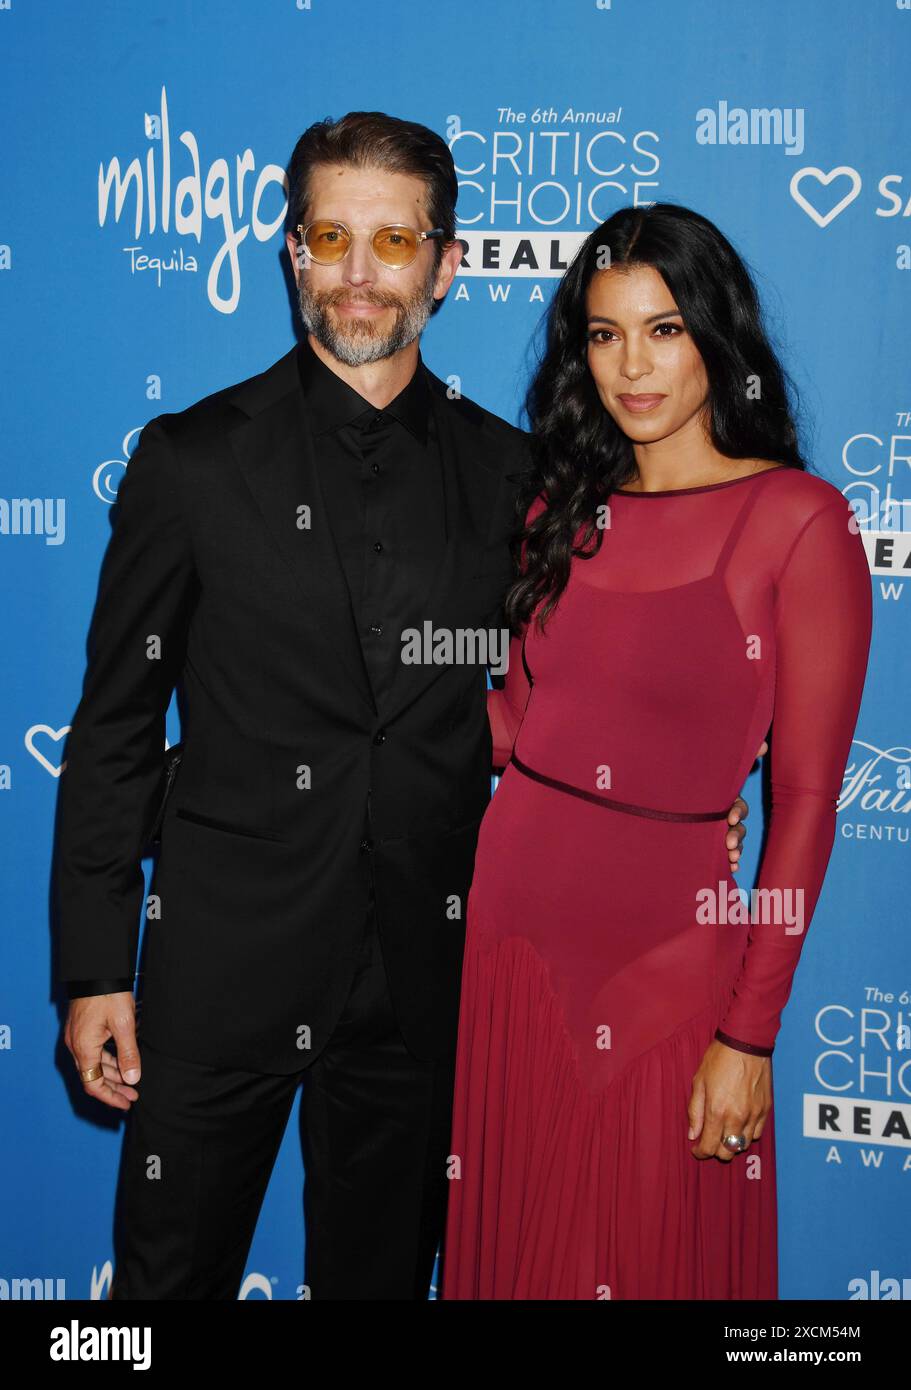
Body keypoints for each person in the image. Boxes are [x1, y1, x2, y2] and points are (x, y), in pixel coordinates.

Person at [54, 115, 751, 1302]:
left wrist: (672, 803)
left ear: (446, 264)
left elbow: (568, 693)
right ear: (291, 253)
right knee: (158, 1296)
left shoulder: (515, 476)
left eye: (394, 240)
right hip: (220, 967)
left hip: (424, 977)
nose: (361, 272)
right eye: (332, 236)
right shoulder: (191, 461)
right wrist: (91, 969)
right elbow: (117, 726)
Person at [441, 203, 872, 1300]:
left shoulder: (795, 522)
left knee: (647, 1262)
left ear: (715, 338)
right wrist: (349, 712)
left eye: (662, 329)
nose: (630, 366)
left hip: (673, 964)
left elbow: (809, 799)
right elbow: (513, 728)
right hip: (507, 943)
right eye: (602, 334)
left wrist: (750, 1036)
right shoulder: (561, 505)